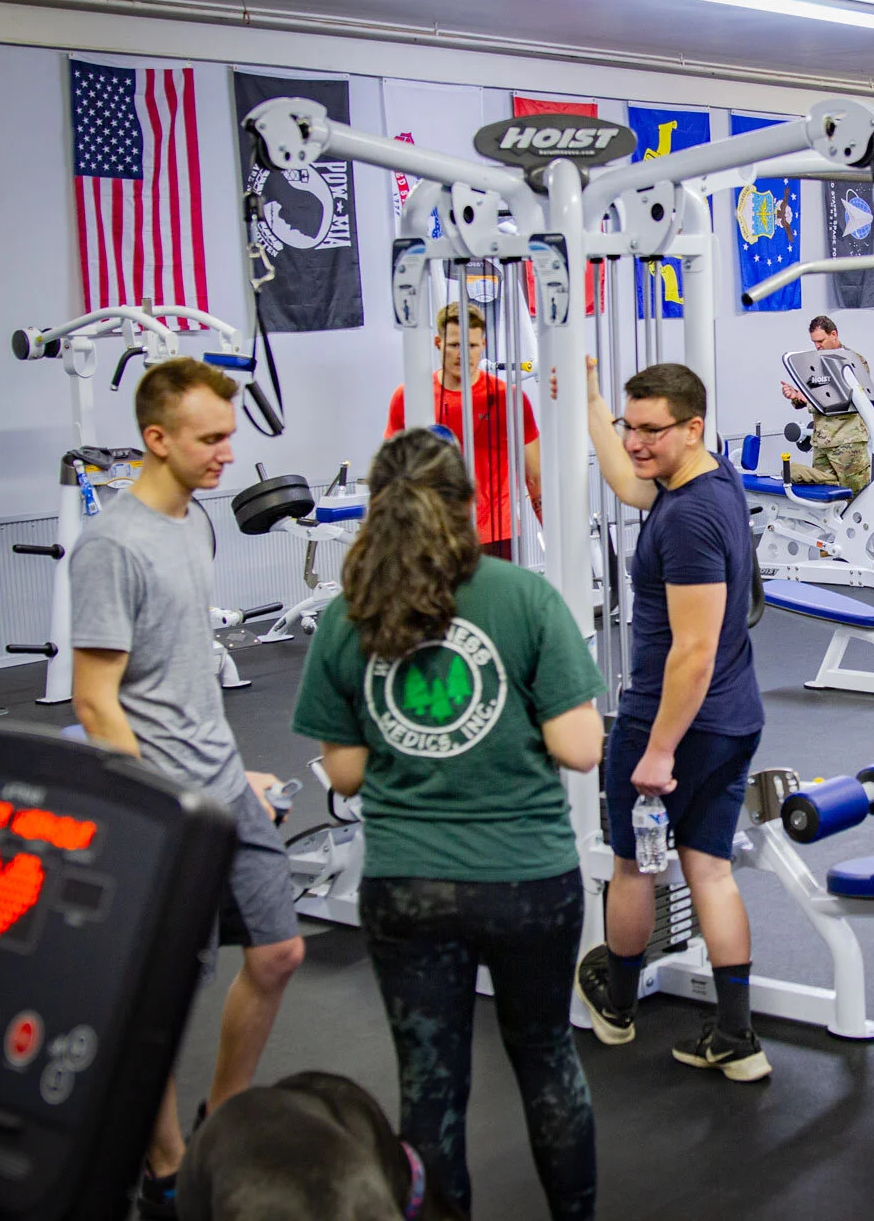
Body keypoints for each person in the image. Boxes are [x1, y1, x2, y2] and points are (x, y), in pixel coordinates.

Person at [290, 428, 603, 1219]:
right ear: (468, 504)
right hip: (529, 880)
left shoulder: (347, 614)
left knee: (431, 1085)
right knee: (544, 1056)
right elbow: (580, 747)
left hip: (407, 884)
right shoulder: (525, 596)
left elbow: (347, 773)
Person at [69, 358, 305, 1219]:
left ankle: (224, 1119)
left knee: (279, 952)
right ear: (157, 439)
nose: (226, 454)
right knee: (162, 999)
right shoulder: (112, 545)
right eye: (210, 439)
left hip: (222, 782)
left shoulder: (193, 524)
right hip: (163, 803)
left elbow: (181, 678)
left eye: (229, 435)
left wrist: (234, 767)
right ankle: (165, 1167)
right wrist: (151, 817)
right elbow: (98, 702)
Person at [575, 360, 770, 1080]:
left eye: (652, 430)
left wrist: (657, 751)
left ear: (693, 427)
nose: (635, 443)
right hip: (732, 715)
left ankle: (618, 1011)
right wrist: (591, 402)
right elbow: (629, 484)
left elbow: (692, 651)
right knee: (710, 872)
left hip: (676, 720)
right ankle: (737, 1038)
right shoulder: (708, 481)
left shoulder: (687, 522)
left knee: (632, 869)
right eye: (630, 426)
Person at [385, 301, 543, 560]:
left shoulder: (508, 398)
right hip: (433, 532)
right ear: (438, 343)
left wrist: (554, 536)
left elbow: (535, 476)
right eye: (454, 345)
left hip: (497, 533)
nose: (464, 355)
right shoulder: (410, 397)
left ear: (483, 344)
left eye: (471, 346)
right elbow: (392, 474)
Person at [780, 315, 872, 491]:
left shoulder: (853, 361)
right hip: (822, 441)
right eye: (814, 342)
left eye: (820, 341)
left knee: (856, 494)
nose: (817, 346)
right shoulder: (816, 364)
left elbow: (849, 397)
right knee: (822, 495)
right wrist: (796, 396)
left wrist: (808, 398)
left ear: (834, 335)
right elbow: (811, 394)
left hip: (847, 440)